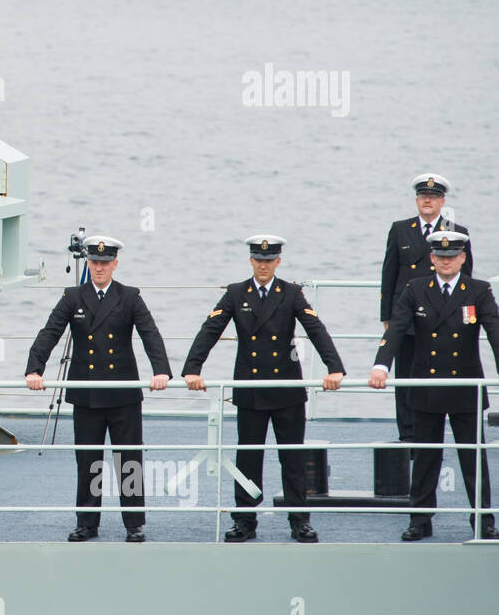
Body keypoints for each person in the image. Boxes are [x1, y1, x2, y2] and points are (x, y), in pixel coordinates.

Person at [181, 235, 345, 543]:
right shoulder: (235, 293)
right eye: (258, 259)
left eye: (269, 261)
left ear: (278, 261)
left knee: (292, 458)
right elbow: (210, 330)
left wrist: (333, 367)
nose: (263, 265)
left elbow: (315, 329)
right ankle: (244, 521)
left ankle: (299, 521)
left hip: (286, 389)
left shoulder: (291, 293)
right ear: (251, 261)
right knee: (248, 458)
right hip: (251, 389)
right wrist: (192, 369)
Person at [24, 236, 171, 543]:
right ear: (88, 263)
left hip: (123, 394)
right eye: (94, 263)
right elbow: (50, 332)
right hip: (87, 394)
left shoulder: (129, 296)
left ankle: (134, 523)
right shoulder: (72, 296)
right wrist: (34, 369)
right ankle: (87, 523)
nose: (99, 268)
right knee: (88, 460)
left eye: (105, 263)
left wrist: (161, 371)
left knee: (128, 459)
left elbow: (150, 334)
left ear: (115, 264)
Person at [371, 230, 498, 541]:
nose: (446, 261)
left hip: (465, 385)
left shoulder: (478, 290)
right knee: (427, 456)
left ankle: (483, 519)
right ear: (432, 258)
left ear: (463, 258)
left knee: (473, 457)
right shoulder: (415, 289)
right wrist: (380, 365)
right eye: (440, 257)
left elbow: (496, 333)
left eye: (452, 256)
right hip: (426, 383)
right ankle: (420, 520)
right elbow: (397, 330)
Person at [380, 173, 473, 443]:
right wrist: (387, 316)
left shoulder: (457, 233)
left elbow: (465, 279)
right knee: (406, 376)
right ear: (417, 199)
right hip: (407, 318)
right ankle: (408, 435)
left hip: (443, 318)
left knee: (442, 374)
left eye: (432, 197)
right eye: (423, 196)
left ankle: (439, 433)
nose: (427, 201)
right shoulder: (400, 229)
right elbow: (389, 274)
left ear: (442, 200)